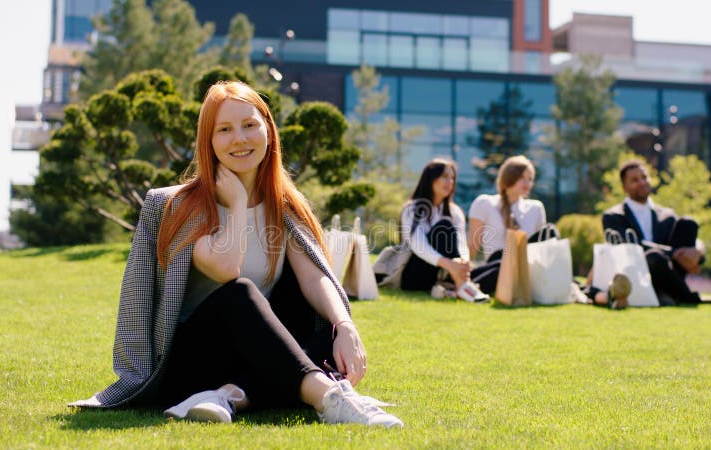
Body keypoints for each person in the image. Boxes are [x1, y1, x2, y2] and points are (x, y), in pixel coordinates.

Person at [69, 81, 403, 428]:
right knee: (240, 293)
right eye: (224, 130)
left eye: (249, 125)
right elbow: (228, 271)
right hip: (189, 365)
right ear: (208, 141)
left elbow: (314, 277)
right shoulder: (178, 205)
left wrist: (345, 326)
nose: (239, 139)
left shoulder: (284, 206)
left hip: (256, 355)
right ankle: (330, 399)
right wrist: (239, 202)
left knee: (323, 326)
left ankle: (229, 396)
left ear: (269, 132)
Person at [602, 160, 711, 307]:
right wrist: (673, 252)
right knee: (654, 257)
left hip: (671, 270)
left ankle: (666, 293)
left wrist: (698, 252)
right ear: (624, 187)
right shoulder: (613, 216)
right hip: (639, 270)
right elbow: (631, 245)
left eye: (644, 177)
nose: (642, 182)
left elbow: (687, 243)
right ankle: (691, 298)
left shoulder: (666, 215)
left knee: (688, 223)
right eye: (635, 180)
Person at [398, 158, 489, 303]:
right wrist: (450, 265)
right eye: (445, 177)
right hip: (415, 274)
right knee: (444, 226)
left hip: (444, 271)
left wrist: (463, 261)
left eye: (452, 178)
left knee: (448, 226)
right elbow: (418, 246)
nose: (450, 182)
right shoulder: (412, 208)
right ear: (431, 179)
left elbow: (460, 242)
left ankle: (460, 285)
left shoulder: (455, 211)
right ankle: (462, 286)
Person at [467, 155, 549, 294]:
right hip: (496, 265)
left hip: (525, 266)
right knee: (504, 263)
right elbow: (473, 244)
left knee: (550, 231)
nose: (527, 183)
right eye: (522, 178)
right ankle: (465, 285)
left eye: (530, 179)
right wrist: (462, 271)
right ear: (509, 178)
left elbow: (541, 248)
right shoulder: (485, 203)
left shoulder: (536, 208)